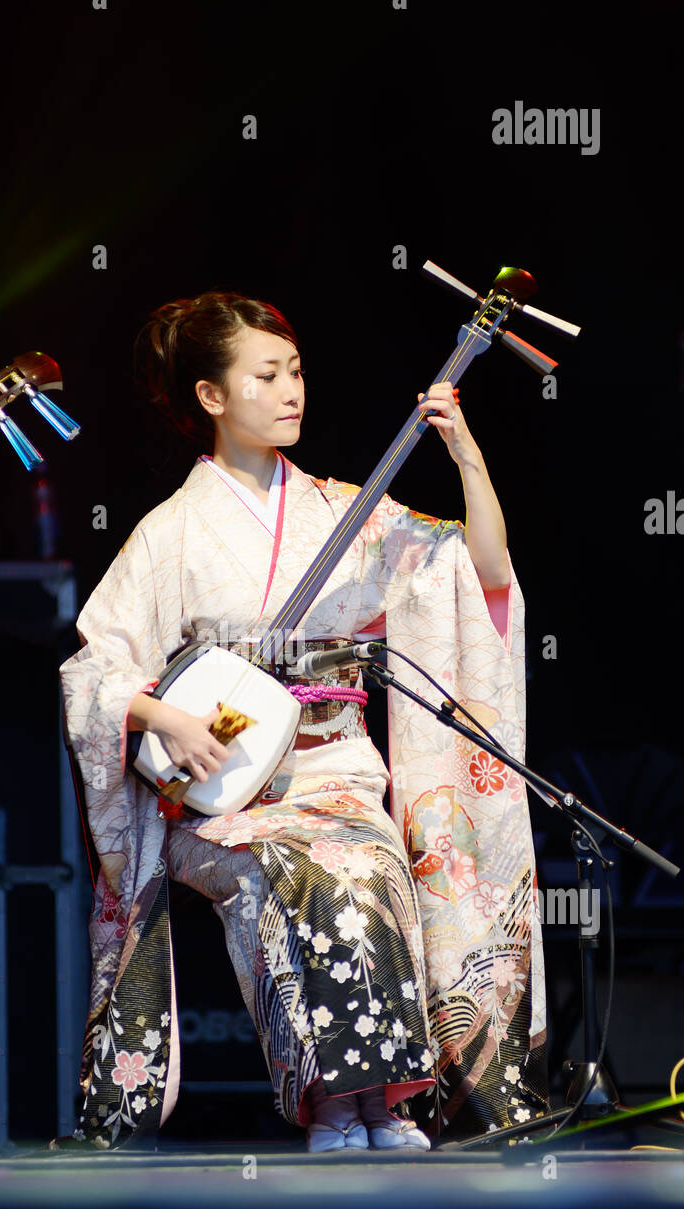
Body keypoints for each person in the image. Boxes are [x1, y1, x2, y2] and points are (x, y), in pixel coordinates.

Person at [60, 291, 549, 1153]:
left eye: (296, 372)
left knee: (374, 869)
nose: (291, 390)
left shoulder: (345, 512)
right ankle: (332, 1106)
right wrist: (159, 713)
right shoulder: (169, 533)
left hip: (341, 778)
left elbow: (479, 574)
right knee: (304, 873)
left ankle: (386, 1106)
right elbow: (93, 668)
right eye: (267, 374)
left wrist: (465, 456)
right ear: (212, 397)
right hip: (228, 797)